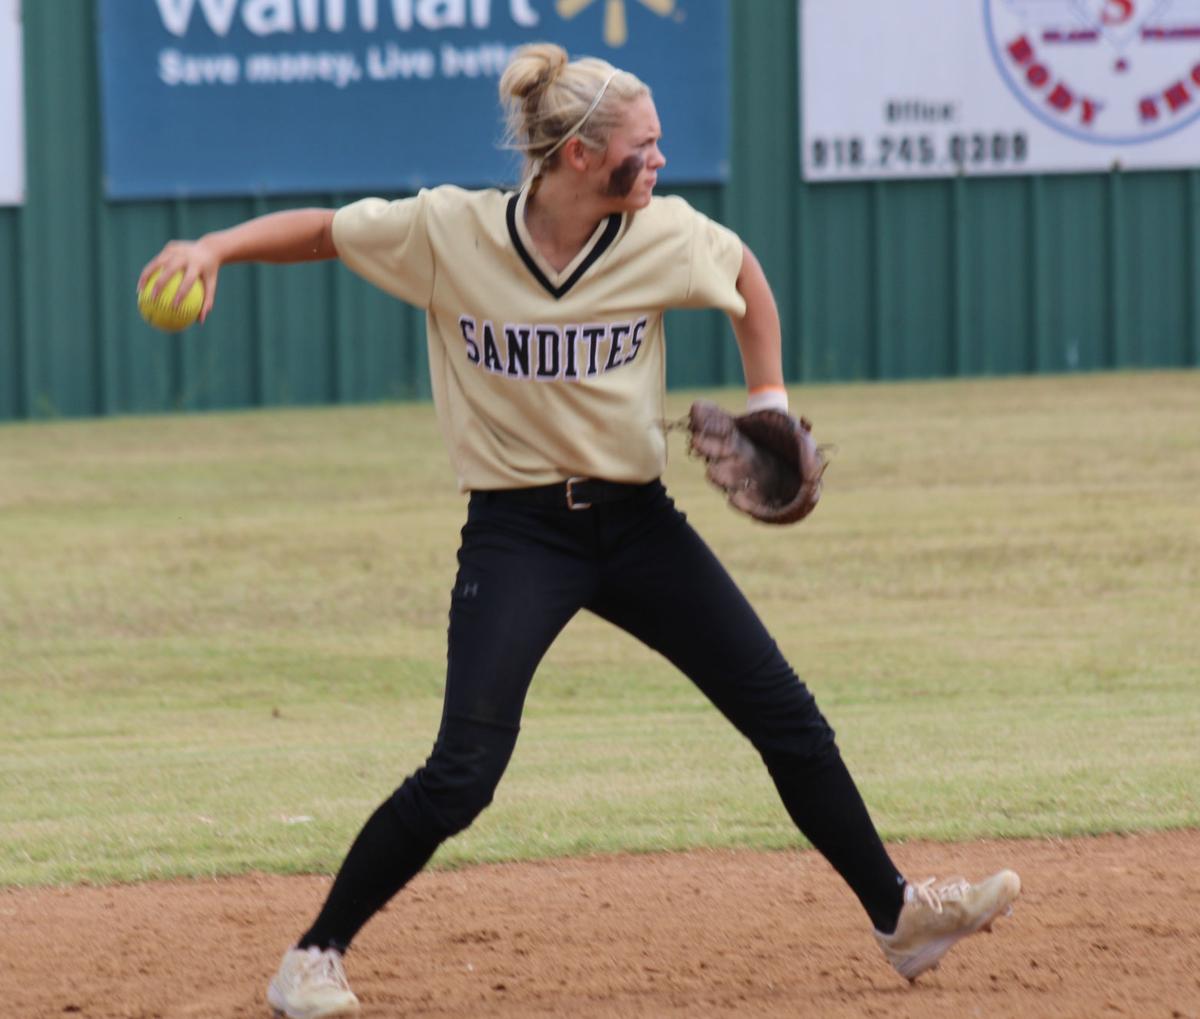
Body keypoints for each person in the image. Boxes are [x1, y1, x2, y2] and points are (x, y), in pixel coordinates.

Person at [139, 44, 1020, 1019]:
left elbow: (743, 274)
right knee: (463, 773)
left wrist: (769, 397)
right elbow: (324, 232)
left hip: (639, 523)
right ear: (578, 156)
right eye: (645, 145)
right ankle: (311, 957)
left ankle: (900, 915)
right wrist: (213, 249)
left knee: (786, 717)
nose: (661, 160)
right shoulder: (450, 232)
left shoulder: (661, 234)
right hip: (518, 532)